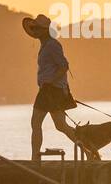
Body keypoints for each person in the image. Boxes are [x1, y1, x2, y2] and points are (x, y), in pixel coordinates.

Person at [23, 13, 77, 162]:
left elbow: (64, 66)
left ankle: (35, 157)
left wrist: (50, 81)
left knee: (43, 123)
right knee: (58, 125)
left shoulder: (53, 45)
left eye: (38, 28)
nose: (35, 31)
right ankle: (88, 149)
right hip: (47, 90)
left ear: (45, 30)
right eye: (34, 28)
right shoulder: (45, 45)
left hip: (52, 90)